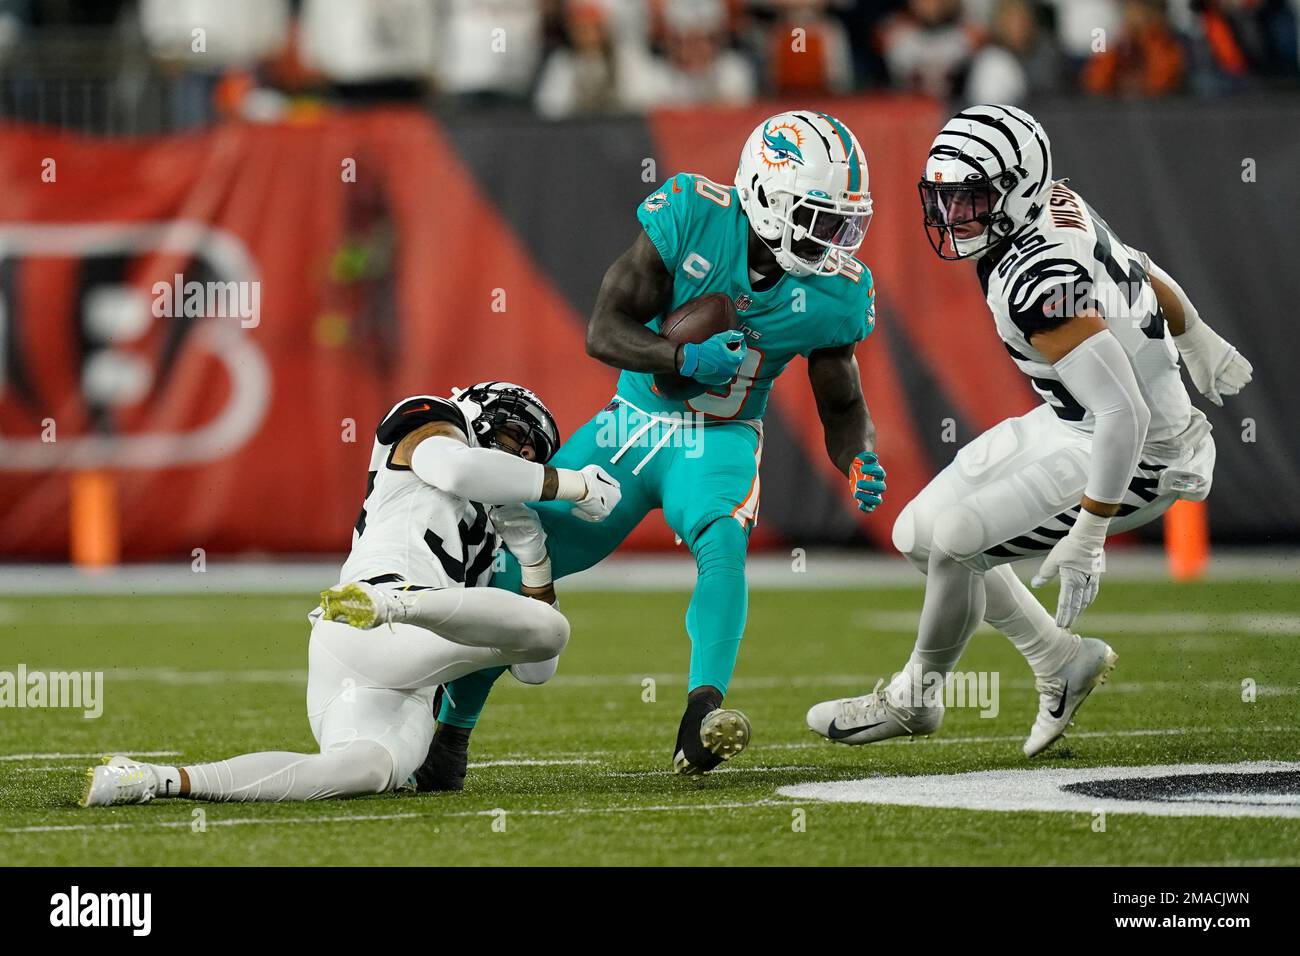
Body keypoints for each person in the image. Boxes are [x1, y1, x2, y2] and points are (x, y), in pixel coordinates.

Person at [421, 111, 885, 787]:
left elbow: (840, 397)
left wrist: (857, 455)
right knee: (524, 573)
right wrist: (682, 356)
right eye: (817, 217)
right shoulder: (693, 214)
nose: (832, 239)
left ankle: (702, 712)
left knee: (722, 539)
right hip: (631, 426)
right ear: (766, 196)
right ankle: (449, 736)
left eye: (843, 222)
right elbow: (603, 328)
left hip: (720, 439)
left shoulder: (836, 292)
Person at [807, 104, 1252, 757]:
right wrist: (1194, 333)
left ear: (1018, 188)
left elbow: (1122, 412)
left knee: (957, 542)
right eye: (947, 199)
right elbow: (1139, 269)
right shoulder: (1055, 203)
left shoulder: (1036, 281)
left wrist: (1092, 531)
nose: (954, 216)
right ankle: (1059, 660)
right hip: (1079, 419)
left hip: (1140, 453)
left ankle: (914, 699)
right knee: (917, 534)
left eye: (972, 199)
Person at [82, 383, 620, 805]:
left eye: (532, 456)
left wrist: (533, 560)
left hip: (407, 681)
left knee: (365, 769)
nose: (523, 460)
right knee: (551, 628)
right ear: (484, 411)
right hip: (366, 620)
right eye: (516, 444)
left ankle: (155, 778)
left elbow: (535, 668)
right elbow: (458, 467)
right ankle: (394, 603)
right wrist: (570, 483)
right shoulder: (433, 418)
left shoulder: (489, 528)